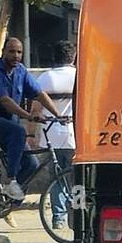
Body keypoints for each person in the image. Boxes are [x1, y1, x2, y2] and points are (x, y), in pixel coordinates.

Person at [0, 37, 62, 203]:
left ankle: (6, 202)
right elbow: (5, 100)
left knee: (31, 164)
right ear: (3, 52)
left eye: (19, 52)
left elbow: (39, 93)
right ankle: (10, 180)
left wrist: (58, 115)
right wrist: (28, 116)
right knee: (18, 131)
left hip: (6, 124)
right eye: (11, 51)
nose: (16, 55)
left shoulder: (20, 71)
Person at [33, 40, 77, 230]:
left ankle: (58, 217)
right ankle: (77, 214)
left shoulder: (44, 78)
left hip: (51, 135)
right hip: (76, 134)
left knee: (55, 177)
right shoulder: (81, 77)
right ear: (73, 56)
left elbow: (35, 109)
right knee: (77, 177)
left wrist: (30, 134)